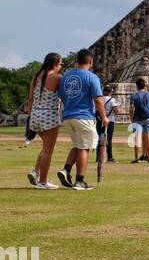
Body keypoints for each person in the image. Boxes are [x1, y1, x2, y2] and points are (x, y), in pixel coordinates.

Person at [56, 49, 107, 190]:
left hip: (68, 116)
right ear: (90, 61)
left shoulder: (66, 76)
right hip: (84, 116)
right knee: (85, 147)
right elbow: (98, 99)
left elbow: (62, 97)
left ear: (76, 61)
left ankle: (66, 170)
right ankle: (79, 181)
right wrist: (104, 117)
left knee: (78, 145)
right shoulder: (91, 77)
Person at [25, 52, 64, 189]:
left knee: (45, 148)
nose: (61, 66)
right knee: (48, 150)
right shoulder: (57, 77)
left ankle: (36, 172)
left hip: (35, 115)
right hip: (50, 115)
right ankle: (43, 181)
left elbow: (30, 99)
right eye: (60, 64)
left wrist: (30, 116)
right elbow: (64, 97)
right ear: (55, 64)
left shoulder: (36, 77)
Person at [129, 78, 149, 163]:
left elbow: (131, 109)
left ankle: (137, 158)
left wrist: (132, 119)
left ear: (137, 86)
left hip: (137, 118)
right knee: (148, 138)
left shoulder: (134, 95)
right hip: (148, 118)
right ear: (144, 86)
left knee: (137, 138)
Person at [101, 85, 119, 163]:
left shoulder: (100, 99)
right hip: (110, 120)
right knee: (109, 139)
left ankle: (98, 156)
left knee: (100, 138)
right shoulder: (112, 100)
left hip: (100, 120)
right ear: (110, 92)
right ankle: (110, 156)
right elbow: (116, 111)